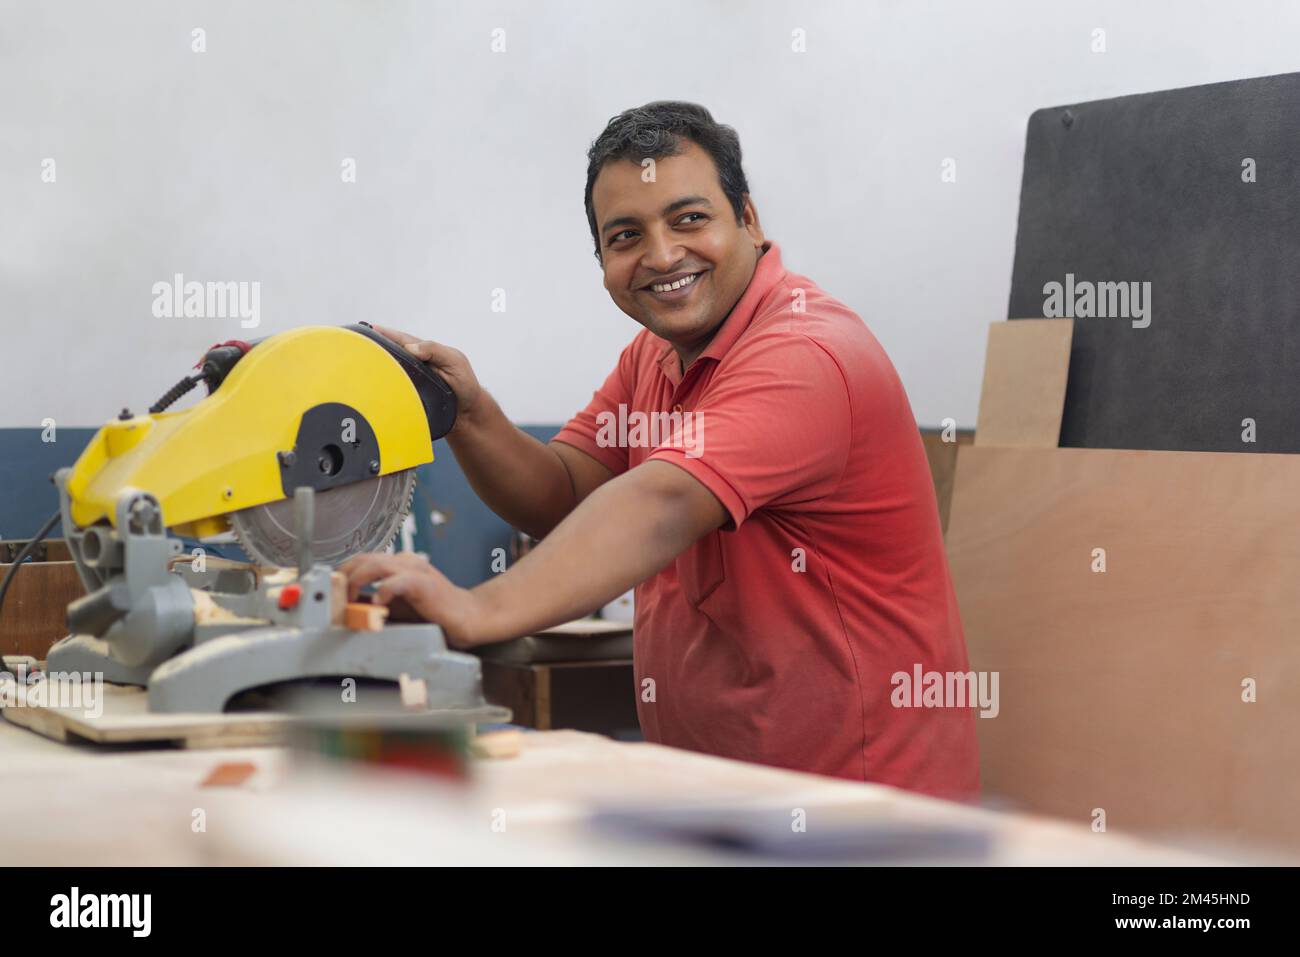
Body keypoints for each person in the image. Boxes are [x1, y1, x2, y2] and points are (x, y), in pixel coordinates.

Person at [343, 102, 978, 799]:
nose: (663, 255)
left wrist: (475, 610)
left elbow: (661, 503)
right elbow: (563, 491)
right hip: (722, 799)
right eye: (626, 235)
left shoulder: (806, 354)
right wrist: (466, 411)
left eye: (689, 218)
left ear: (749, 218)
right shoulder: (655, 355)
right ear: (604, 261)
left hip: (859, 812)